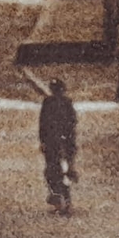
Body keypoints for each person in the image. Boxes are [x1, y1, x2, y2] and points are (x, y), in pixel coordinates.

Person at [38, 78, 78, 215]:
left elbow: (43, 124)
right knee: (62, 170)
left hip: (54, 142)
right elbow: (72, 122)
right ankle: (63, 200)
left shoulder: (49, 103)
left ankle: (61, 201)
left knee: (55, 171)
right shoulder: (66, 103)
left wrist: (43, 141)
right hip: (62, 142)